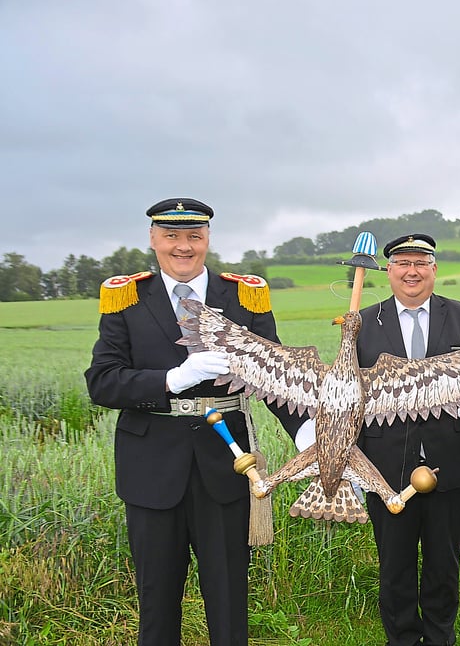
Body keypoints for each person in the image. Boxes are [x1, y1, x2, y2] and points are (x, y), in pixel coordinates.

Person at [84, 198, 305, 646]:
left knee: (228, 597)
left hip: (225, 464)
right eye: (171, 236)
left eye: (194, 237)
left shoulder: (243, 296)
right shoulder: (126, 297)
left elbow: (273, 370)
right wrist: (171, 379)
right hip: (150, 468)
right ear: (153, 239)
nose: (183, 247)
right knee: (157, 597)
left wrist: (306, 431)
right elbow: (102, 383)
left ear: (207, 239)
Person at [344, 233, 460, 646]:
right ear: (389, 271)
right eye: (402, 264)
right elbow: (348, 396)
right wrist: (349, 462)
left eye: (421, 263)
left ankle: (440, 636)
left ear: (434, 269)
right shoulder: (362, 323)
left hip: (450, 461)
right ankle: (404, 639)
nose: (412, 272)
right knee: (394, 566)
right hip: (384, 465)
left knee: (444, 564)